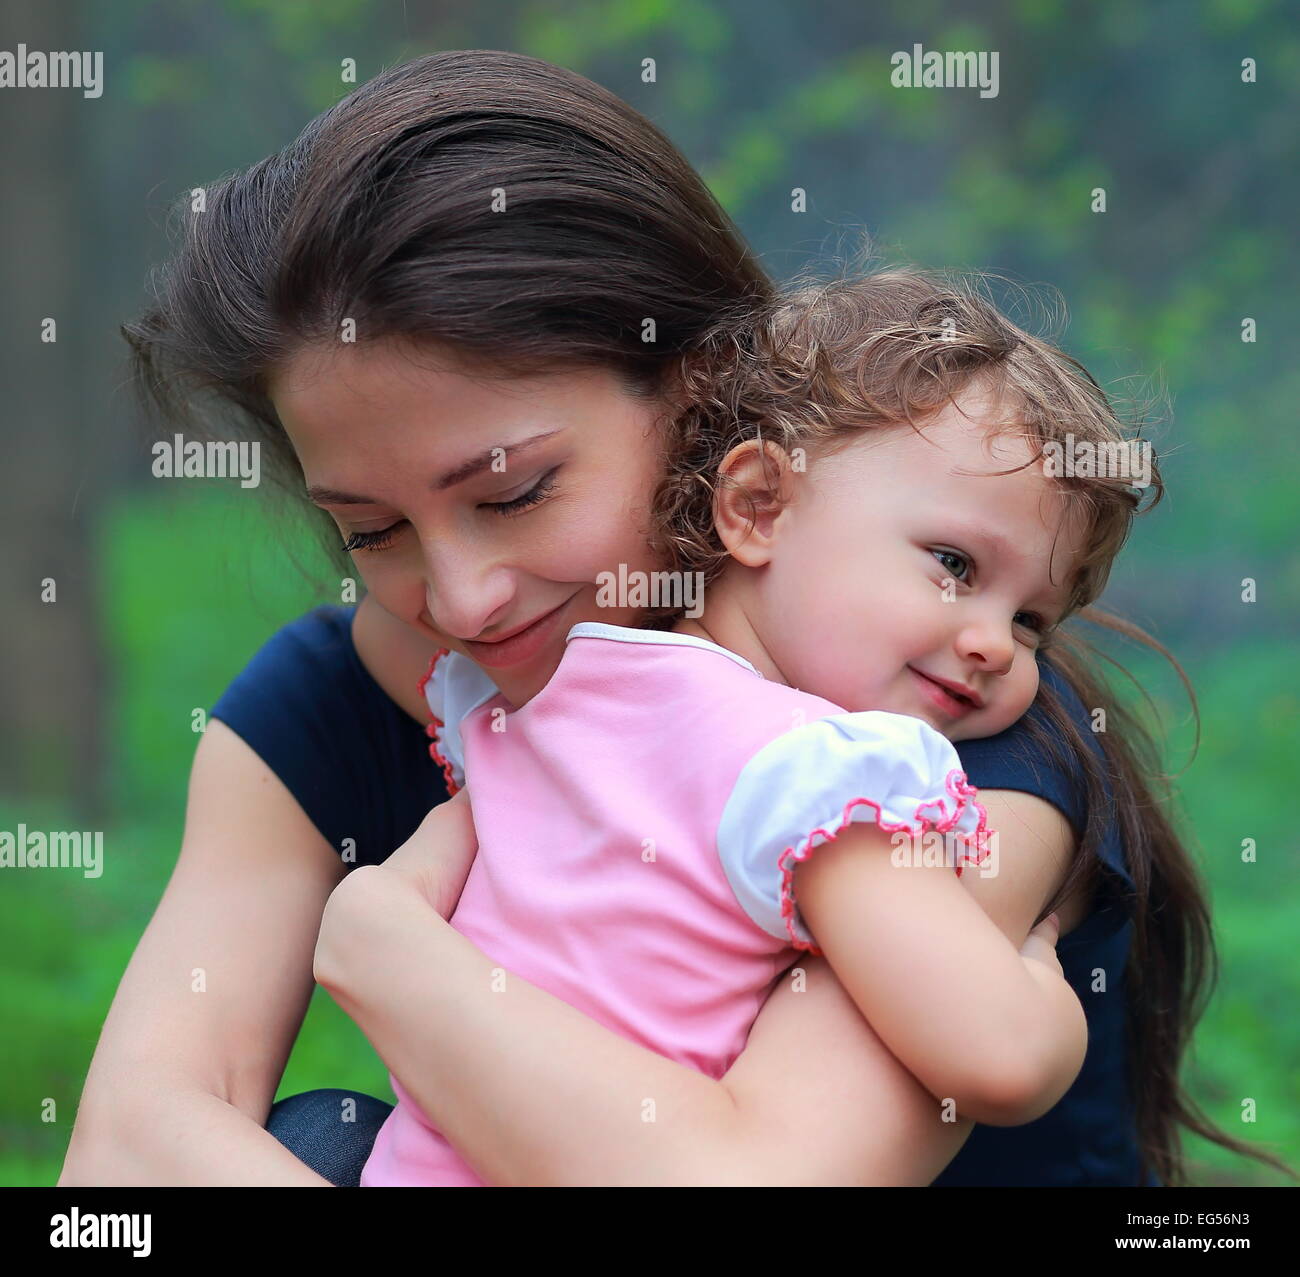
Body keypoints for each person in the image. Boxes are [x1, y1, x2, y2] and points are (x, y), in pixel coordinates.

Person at [59, 51, 1285, 1189]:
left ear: (705, 408)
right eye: (370, 530)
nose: (463, 596)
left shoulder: (929, 723)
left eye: (514, 491)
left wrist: (391, 951)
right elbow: (123, 1154)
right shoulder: (326, 701)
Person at [346, 269, 1132, 1187]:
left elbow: (378, 631)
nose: (996, 646)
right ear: (757, 505)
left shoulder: (541, 685)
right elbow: (998, 1056)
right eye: (954, 563)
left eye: (1033, 620)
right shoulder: (810, 777)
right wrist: (1041, 974)